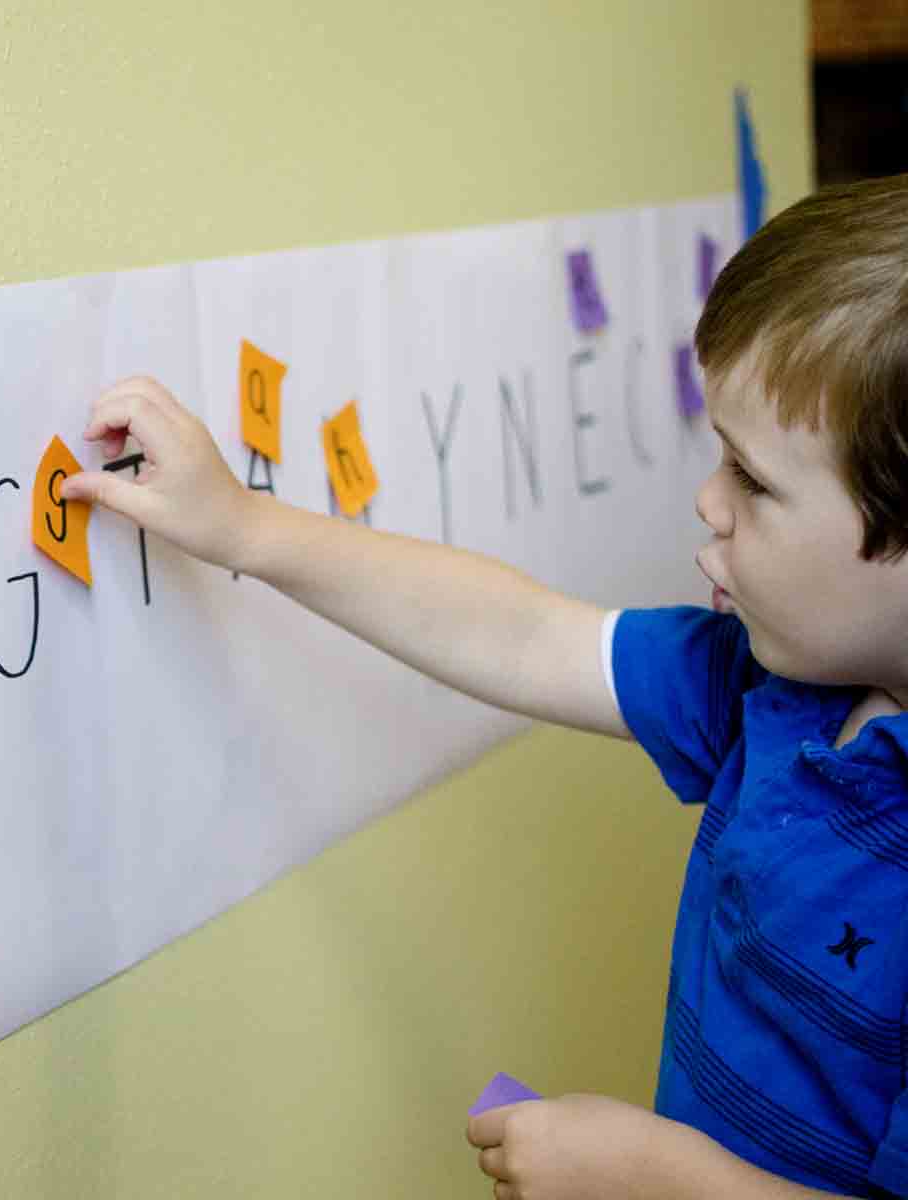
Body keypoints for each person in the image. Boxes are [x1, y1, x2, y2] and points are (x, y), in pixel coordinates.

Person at [61, 174, 908, 1198]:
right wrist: (246, 528)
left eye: (756, 483)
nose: (707, 501)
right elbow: (522, 637)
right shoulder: (771, 693)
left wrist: (654, 1176)